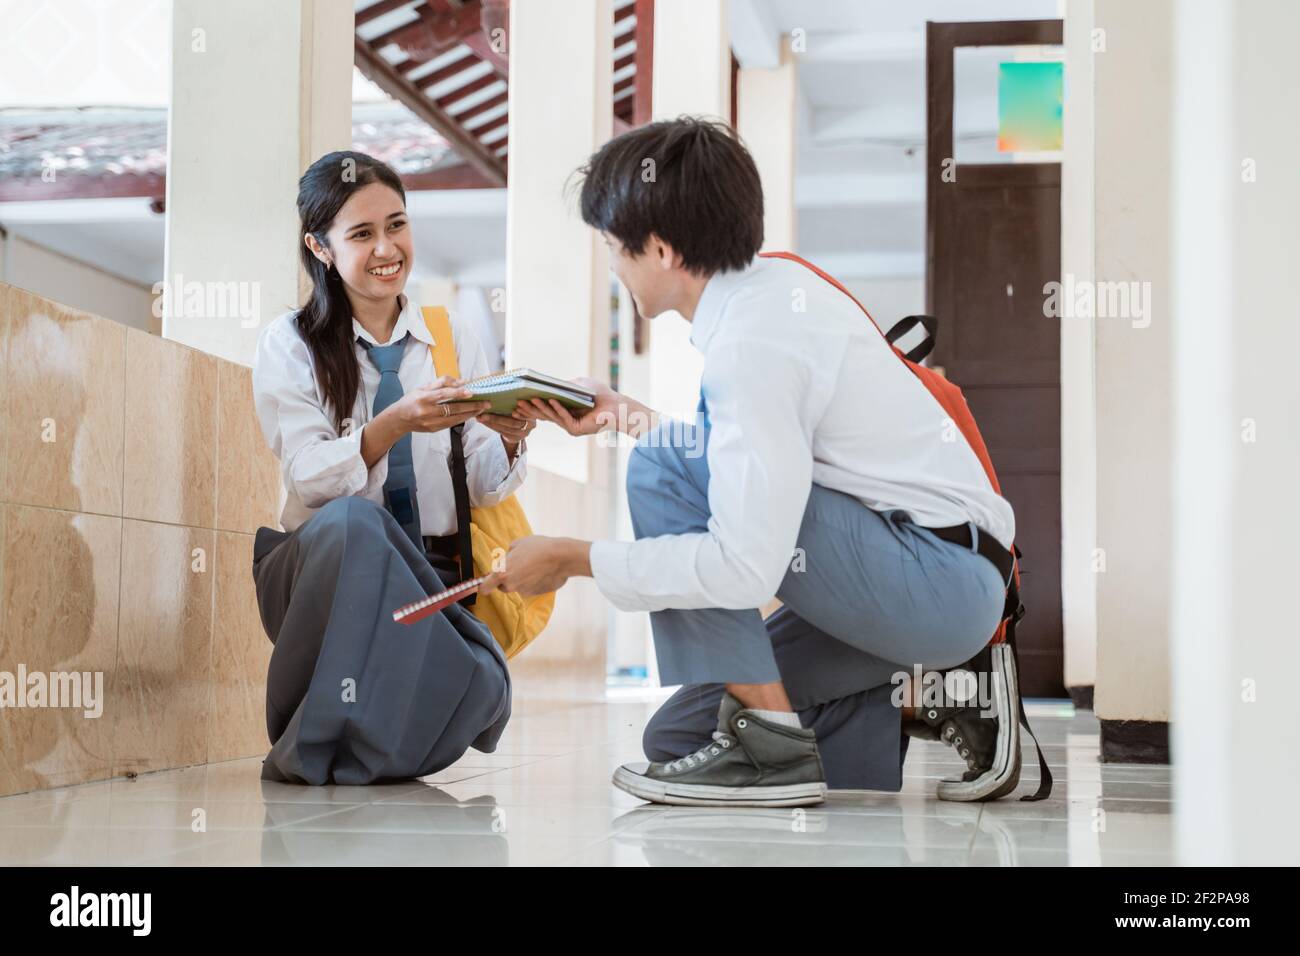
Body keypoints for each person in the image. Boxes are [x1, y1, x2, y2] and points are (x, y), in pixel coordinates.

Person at [483, 117, 1020, 807]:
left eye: (617, 249)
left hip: (938, 580)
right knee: (679, 737)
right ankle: (934, 696)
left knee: (659, 471)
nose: (614, 268)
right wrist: (622, 414)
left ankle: (772, 748)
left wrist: (571, 558)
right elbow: (743, 461)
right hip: (916, 581)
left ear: (662, 249)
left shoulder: (753, 345)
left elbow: (745, 565)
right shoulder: (767, 299)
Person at [249, 150, 536, 785]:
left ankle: (377, 741)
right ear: (320, 248)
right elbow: (306, 478)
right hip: (321, 576)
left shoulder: (452, 332)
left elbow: (482, 481)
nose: (387, 248)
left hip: (430, 572)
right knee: (356, 523)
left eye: (397, 225)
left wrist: (512, 438)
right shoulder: (290, 343)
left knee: (480, 689)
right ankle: (324, 743)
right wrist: (392, 425)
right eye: (361, 233)